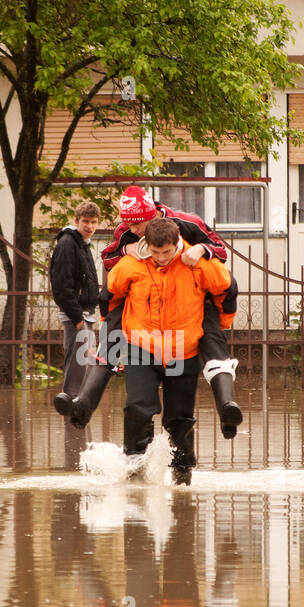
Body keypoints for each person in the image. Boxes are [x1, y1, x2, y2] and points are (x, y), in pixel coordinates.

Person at [55, 185, 243, 438]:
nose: (131, 230)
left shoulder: (186, 223)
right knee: (112, 333)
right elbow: (108, 260)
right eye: (128, 225)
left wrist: (200, 250)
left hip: (194, 295)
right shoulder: (126, 232)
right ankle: (83, 405)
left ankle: (227, 411)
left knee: (212, 342)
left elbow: (221, 251)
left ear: (153, 215)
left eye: (137, 225)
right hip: (142, 308)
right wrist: (125, 250)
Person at [107, 216, 234, 485]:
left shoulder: (199, 264)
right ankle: (134, 465)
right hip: (141, 347)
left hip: (183, 350)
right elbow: (112, 293)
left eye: (167, 252)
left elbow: (225, 288)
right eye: (156, 252)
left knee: (180, 417)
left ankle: (182, 472)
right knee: (138, 406)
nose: (162, 257)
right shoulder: (131, 264)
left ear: (178, 243)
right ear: (146, 246)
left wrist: (219, 326)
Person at [49, 201, 101, 407]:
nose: (89, 226)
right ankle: (70, 401)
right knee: (77, 360)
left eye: (94, 222)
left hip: (84, 313)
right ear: (76, 221)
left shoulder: (82, 244)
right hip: (76, 315)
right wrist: (77, 318)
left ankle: (77, 401)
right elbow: (61, 286)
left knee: (84, 359)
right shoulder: (67, 244)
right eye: (85, 221)